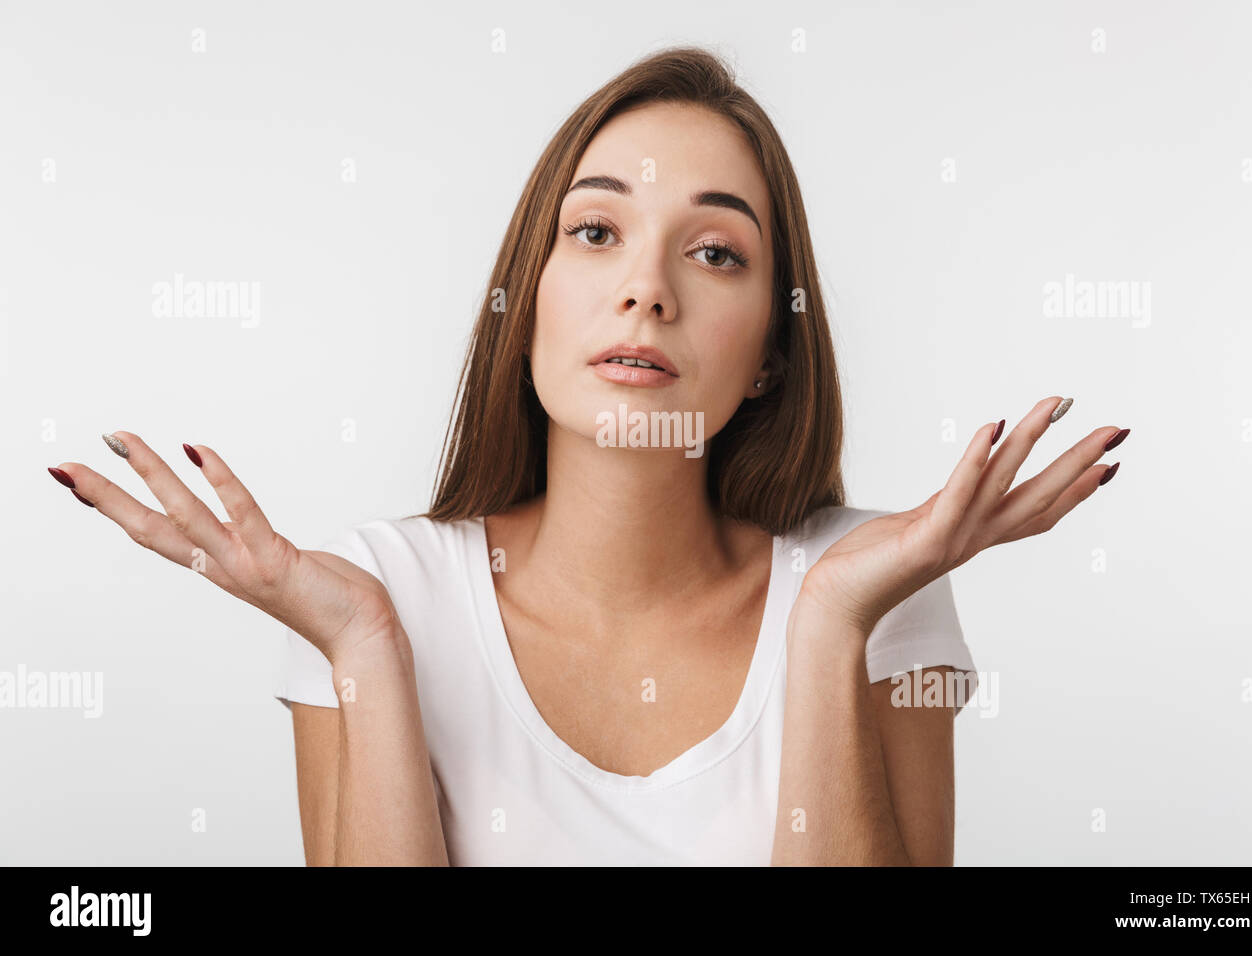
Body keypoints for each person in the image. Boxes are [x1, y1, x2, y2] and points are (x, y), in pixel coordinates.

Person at [48, 46, 1128, 866]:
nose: (647, 288)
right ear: (525, 308)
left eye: (714, 251)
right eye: (597, 232)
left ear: (767, 353)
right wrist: (366, 646)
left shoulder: (886, 584)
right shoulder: (368, 591)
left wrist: (833, 616)